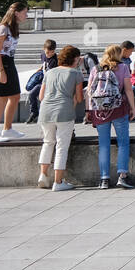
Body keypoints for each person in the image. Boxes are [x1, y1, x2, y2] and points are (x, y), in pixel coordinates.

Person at [87, 44, 135, 189]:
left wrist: (88, 111)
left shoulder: (96, 68)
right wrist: (133, 108)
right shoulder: (123, 68)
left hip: (100, 111)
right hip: (119, 108)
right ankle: (122, 176)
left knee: (103, 145)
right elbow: (128, 89)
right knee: (123, 142)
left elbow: (89, 91)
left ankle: (104, 179)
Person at [36, 45, 83, 191]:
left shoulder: (50, 72)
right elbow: (79, 97)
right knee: (62, 146)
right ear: (75, 58)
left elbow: (41, 96)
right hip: (64, 112)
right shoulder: (76, 73)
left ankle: (43, 176)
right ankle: (58, 181)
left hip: (45, 112)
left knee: (48, 142)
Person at [0, 1, 30, 143]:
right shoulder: (3, 28)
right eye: (25, 12)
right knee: (1, 100)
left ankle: (7, 129)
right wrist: (1, 71)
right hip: (0, 63)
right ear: (16, 13)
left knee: (15, 96)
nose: (26, 15)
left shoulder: (13, 28)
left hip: (9, 62)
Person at [24, 39, 59, 124]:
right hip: (43, 80)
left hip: (50, 82)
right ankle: (34, 112)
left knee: (44, 97)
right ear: (44, 49)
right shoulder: (43, 55)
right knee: (32, 94)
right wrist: (39, 70)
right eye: (47, 52)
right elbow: (44, 64)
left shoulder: (55, 60)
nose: (49, 54)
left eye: (52, 52)